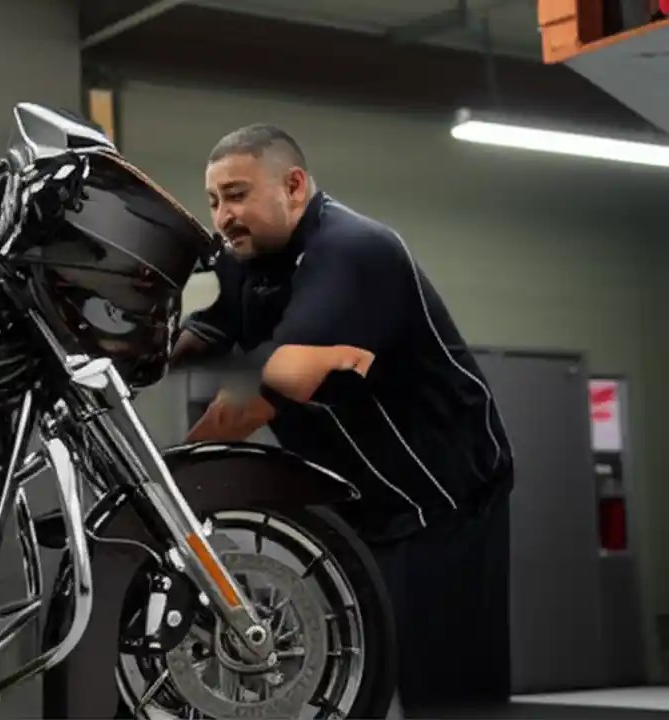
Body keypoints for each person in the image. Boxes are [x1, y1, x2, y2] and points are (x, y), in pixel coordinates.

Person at [172, 124, 515, 714]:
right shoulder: (245, 262)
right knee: (364, 681)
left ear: (295, 186)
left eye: (236, 195)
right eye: (213, 201)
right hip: (367, 509)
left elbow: (261, 397)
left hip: (447, 502)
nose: (222, 216)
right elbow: (199, 341)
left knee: (448, 693)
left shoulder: (353, 251)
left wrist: (161, 487)